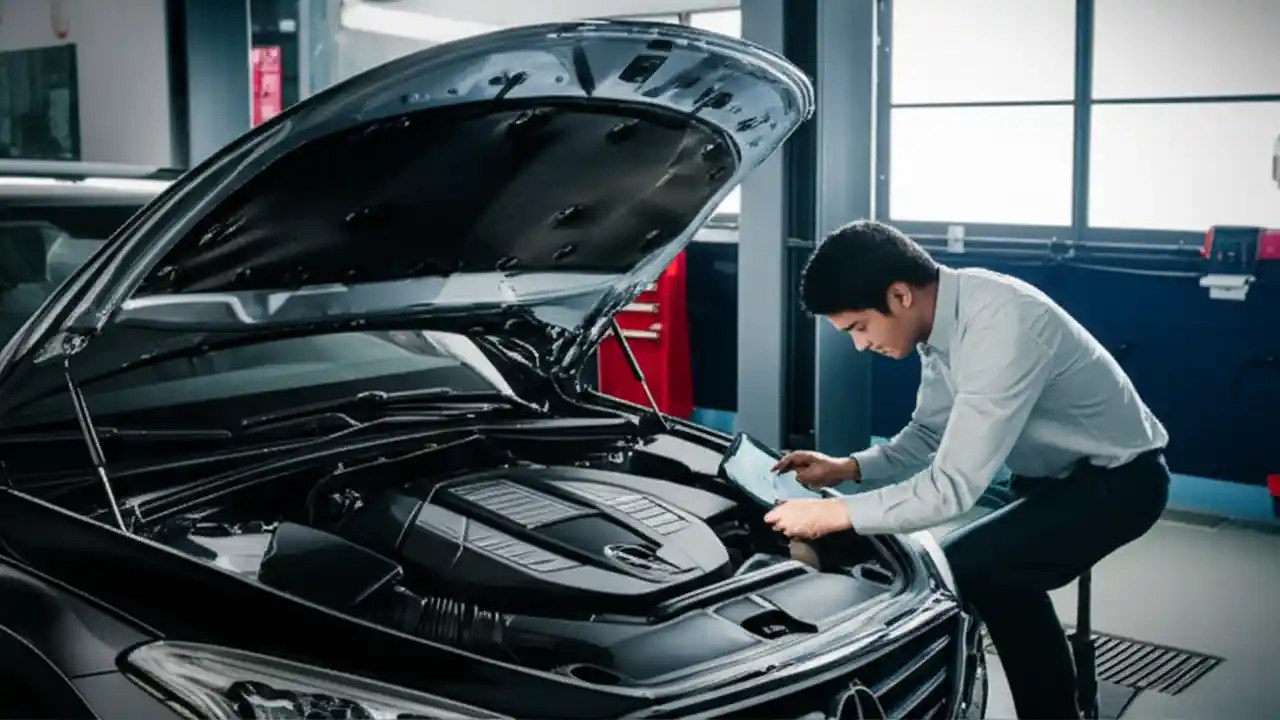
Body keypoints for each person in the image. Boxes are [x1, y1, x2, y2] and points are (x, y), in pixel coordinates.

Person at [763, 219, 1170, 719]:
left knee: (962, 568)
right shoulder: (942, 323)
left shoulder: (1001, 325)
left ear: (899, 296)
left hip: (1120, 484)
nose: (859, 345)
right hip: (1047, 480)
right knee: (982, 572)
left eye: (859, 327)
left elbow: (950, 489)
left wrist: (835, 515)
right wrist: (846, 469)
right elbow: (929, 435)